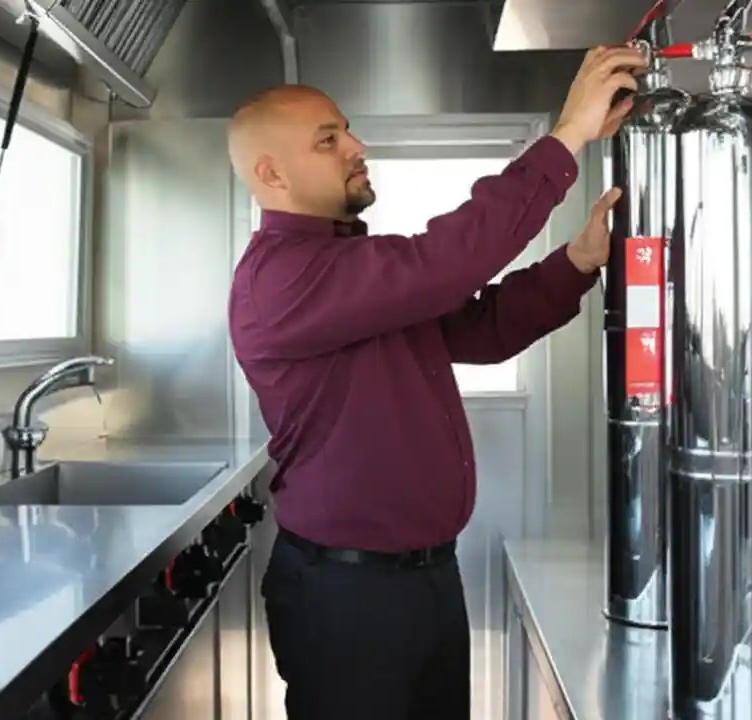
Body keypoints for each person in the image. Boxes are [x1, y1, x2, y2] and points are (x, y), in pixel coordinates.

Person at [226, 46, 645, 720]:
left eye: (348, 130)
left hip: (422, 580)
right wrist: (565, 137)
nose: (356, 146)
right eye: (328, 140)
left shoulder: (349, 268)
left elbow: (477, 329)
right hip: (349, 598)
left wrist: (576, 262)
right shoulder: (282, 279)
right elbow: (444, 263)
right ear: (271, 173)